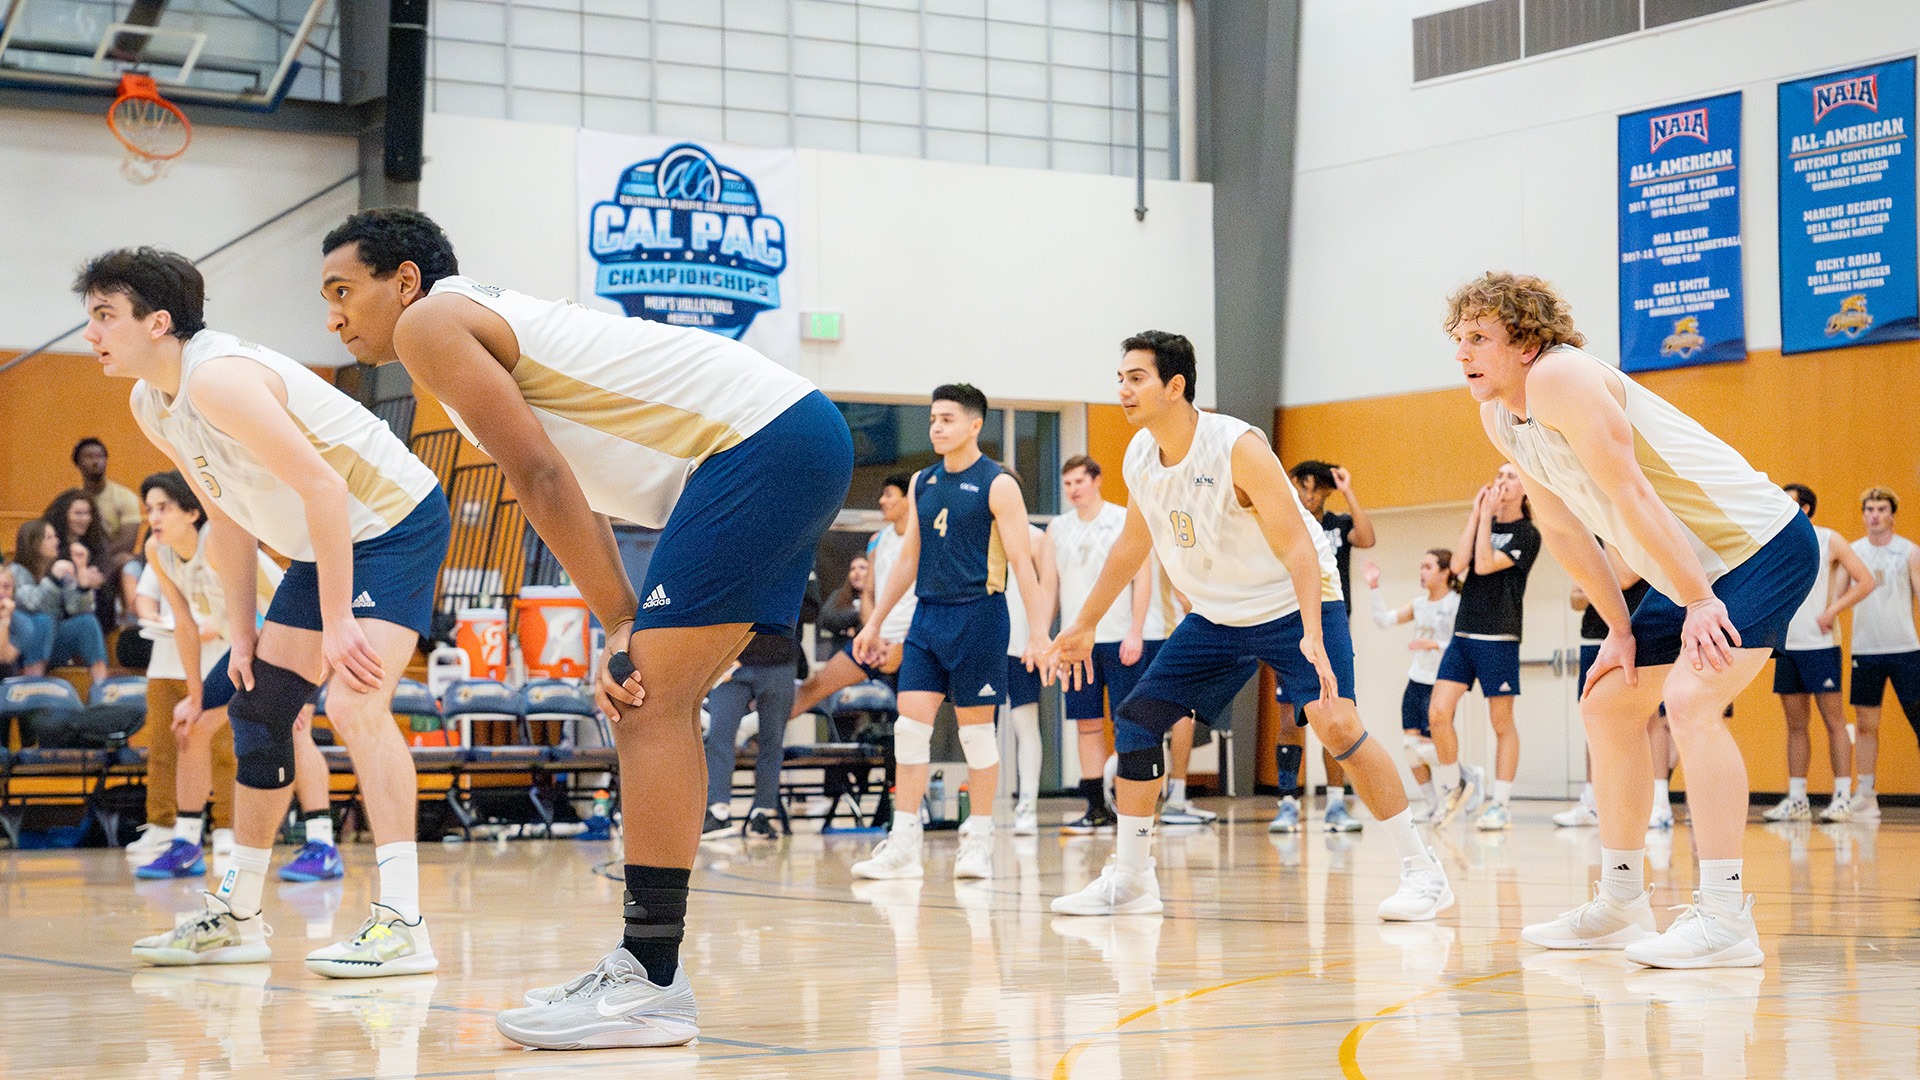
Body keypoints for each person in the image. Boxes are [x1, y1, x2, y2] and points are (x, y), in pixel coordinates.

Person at [318, 208, 851, 1048]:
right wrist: (620, 621)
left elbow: (539, 475)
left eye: (345, 291)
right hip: (781, 441)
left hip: (759, 446)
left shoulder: (430, 325)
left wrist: (619, 618)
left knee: (644, 705)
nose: (334, 316)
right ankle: (648, 971)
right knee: (654, 704)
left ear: (406, 283)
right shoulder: (471, 319)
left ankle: (650, 980)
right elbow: (562, 481)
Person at [80, 247, 450, 979]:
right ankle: (239, 916)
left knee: (353, 702)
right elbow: (227, 515)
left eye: (104, 316)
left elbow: (324, 488)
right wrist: (243, 633)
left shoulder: (219, 379)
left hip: (392, 523)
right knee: (258, 707)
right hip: (321, 543)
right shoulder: (152, 403)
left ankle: (403, 922)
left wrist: (339, 619)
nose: (90, 333)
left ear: (158, 322)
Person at [1443, 271, 1817, 968]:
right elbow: (1562, 527)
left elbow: (1631, 490)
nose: (1463, 353)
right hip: (1690, 570)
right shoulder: (1500, 415)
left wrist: (1701, 601)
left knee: (1690, 701)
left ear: (1526, 343)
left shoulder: (1564, 379)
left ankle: (1727, 917)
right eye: (1458, 339)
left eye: (1479, 338)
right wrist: (1619, 627)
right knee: (1609, 703)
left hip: (1760, 545)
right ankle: (1621, 904)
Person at [1046, 330, 1451, 921]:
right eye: (1121, 378)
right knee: (1136, 722)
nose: (1123, 390)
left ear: (1175, 386)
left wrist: (1312, 631)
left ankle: (1423, 872)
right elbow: (1132, 547)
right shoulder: (1139, 455)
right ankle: (1132, 879)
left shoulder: (1237, 446)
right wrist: (1082, 624)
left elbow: (1298, 547)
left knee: (1336, 724)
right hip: (1217, 615)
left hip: (1292, 604)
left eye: (1136, 378)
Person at [849, 384, 1048, 882]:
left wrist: (1040, 632)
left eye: (947, 419)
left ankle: (977, 841)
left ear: (975, 425)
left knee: (976, 737)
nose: (936, 427)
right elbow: (909, 558)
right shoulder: (923, 481)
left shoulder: (999, 484)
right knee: (909, 731)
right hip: (928, 620)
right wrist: (873, 622)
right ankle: (903, 844)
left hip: (979, 618)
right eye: (933, 419)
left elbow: (1024, 564)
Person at [127, 472, 342, 884]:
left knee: (296, 733)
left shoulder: (218, 544)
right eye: (149, 509)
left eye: (163, 507)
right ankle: (187, 843)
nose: (153, 517)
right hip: (247, 646)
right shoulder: (158, 551)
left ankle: (323, 845)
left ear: (192, 512)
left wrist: (298, 677)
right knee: (192, 724)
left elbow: (285, 597)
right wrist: (193, 694)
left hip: (295, 637)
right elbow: (187, 626)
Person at [1043, 454, 1164, 833]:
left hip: (1120, 638)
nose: (1073, 490)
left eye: (1079, 481)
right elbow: (1050, 587)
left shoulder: (1120, 521)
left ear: (1096, 480)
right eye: (1067, 484)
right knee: (1087, 725)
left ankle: (1133, 805)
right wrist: (1047, 637)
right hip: (1079, 644)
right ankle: (1095, 807)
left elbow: (1141, 580)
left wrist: (1136, 631)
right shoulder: (1057, 530)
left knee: (1130, 723)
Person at [1428, 464, 1539, 831]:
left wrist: (1487, 520)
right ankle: (1453, 787)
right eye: (1499, 475)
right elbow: (1458, 566)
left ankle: (1500, 804)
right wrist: (1477, 515)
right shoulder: (1484, 521)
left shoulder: (1528, 534)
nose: (1501, 482)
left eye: (1511, 476)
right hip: (1464, 635)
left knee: (1501, 722)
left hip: (1499, 636)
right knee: (1438, 713)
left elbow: (1486, 563)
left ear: (1526, 489)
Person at [1764, 484, 1874, 823]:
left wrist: (1832, 611)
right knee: (1795, 724)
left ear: (1807, 508)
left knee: (1834, 721)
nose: (1781, 504)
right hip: (1787, 646)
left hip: (1821, 645)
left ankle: (1842, 797)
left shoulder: (1829, 539)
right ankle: (1797, 799)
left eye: (1790, 500)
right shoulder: (1773, 540)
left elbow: (1865, 580)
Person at [1279, 461, 1376, 831]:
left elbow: (1367, 538)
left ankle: (1336, 804)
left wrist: (1348, 490)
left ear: (1325, 491)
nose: (1307, 495)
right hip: (1290, 628)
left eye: (1314, 488)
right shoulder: (1285, 526)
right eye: (1301, 487)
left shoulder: (1337, 524)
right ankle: (1287, 802)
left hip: (1333, 629)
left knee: (1334, 715)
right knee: (1289, 718)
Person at [702, 579, 819, 841]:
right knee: (719, 734)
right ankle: (717, 812)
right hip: (732, 660)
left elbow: (812, 611)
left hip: (779, 661)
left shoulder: (798, 554)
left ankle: (761, 814)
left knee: (772, 741)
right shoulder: (735, 553)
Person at [792, 475, 915, 718]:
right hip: (876, 642)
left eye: (889, 494)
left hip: (914, 642)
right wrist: (873, 634)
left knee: (912, 717)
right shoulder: (878, 540)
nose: (881, 500)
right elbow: (868, 593)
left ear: (909, 498)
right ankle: (748, 734)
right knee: (813, 688)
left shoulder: (925, 539)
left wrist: (902, 643)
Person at [1554, 547, 1654, 829]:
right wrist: (1595, 586)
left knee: (1643, 720)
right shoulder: (1592, 538)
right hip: (1593, 636)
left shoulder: (1631, 530)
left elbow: (1625, 577)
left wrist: (1593, 586)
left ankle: (1653, 803)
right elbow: (1575, 599)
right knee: (1593, 719)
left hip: (1635, 634)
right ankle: (1592, 800)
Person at [1366, 550, 1459, 822]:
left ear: (1445, 572)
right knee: (1410, 745)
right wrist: (1373, 587)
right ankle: (1431, 802)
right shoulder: (1419, 605)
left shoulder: (1456, 603)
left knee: (1434, 746)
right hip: (1416, 679)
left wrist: (1434, 645)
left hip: (1441, 683)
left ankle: (1461, 779)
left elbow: (1462, 643)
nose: (1422, 572)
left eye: (1428, 567)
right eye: (1421, 567)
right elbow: (1383, 620)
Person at [1844, 486, 1920, 822]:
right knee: (1865, 724)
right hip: (1866, 649)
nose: (1874, 515)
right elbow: (1839, 595)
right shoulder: (1853, 552)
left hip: (1906, 649)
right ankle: (1865, 796)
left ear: (1892, 514)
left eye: (1881, 509)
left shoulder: (1909, 552)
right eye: (1869, 509)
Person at [1000, 509, 1054, 836]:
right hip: (985, 643)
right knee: (979, 728)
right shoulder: (979, 532)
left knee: (1025, 724)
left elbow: (1048, 589)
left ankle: (1028, 805)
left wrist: (1040, 636)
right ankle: (976, 813)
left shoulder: (1036, 538)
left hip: (1021, 645)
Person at [6, 519, 110, 682]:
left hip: (51, 645)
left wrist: (82, 572)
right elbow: (32, 603)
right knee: (43, 620)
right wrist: (54, 579)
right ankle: (32, 683)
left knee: (87, 622)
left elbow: (79, 608)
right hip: (18, 648)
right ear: (34, 543)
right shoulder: (15, 572)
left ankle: (102, 686)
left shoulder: (60, 569)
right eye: (49, 537)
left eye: (55, 536)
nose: (57, 541)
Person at [44, 489, 120, 633]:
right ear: (63, 515)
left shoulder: (97, 539)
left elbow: (102, 570)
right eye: (78, 513)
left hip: (88, 598)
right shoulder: (50, 539)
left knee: (104, 596)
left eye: (88, 513)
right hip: (58, 599)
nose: (85, 519)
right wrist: (81, 576)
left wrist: (99, 578)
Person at [815, 556, 869, 658]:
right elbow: (826, 618)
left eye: (862, 568)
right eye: (852, 569)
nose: (856, 572)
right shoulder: (839, 595)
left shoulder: (880, 596)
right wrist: (859, 616)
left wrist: (852, 629)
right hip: (842, 651)